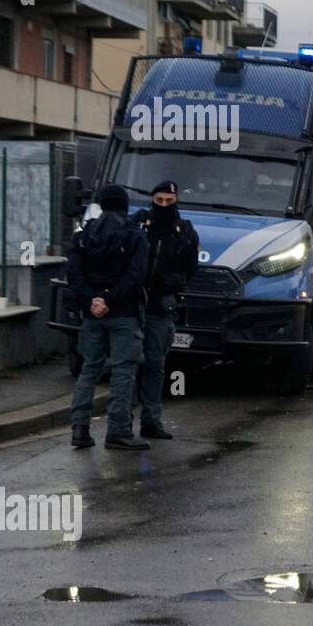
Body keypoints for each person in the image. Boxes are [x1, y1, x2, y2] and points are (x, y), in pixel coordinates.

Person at [66, 184, 151, 450]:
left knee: (89, 369)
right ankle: (118, 431)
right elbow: (136, 277)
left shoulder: (83, 235)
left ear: (102, 204)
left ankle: (80, 429)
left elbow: (74, 275)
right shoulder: (134, 235)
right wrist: (110, 300)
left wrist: (92, 300)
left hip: (92, 315)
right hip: (124, 313)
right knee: (123, 370)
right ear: (124, 205)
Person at [129, 181, 200, 440]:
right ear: (152, 200)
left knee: (155, 365)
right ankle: (124, 423)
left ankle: (151, 421)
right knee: (129, 363)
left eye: (169, 201)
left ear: (176, 201)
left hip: (162, 304)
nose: (164, 206)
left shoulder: (184, 230)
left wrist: (174, 285)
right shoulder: (139, 224)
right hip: (134, 302)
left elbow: (191, 266)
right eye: (159, 201)